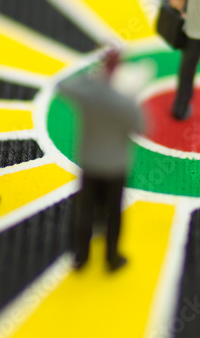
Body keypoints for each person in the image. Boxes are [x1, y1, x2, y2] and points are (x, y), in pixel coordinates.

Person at [57, 49, 145, 272]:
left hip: (90, 162)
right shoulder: (124, 101)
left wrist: (90, 77)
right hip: (116, 166)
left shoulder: (89, 93)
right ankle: (112, 258)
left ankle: (81, 256)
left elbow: (63, 86)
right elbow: (142, 127)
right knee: (114, 212)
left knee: (85, 209)